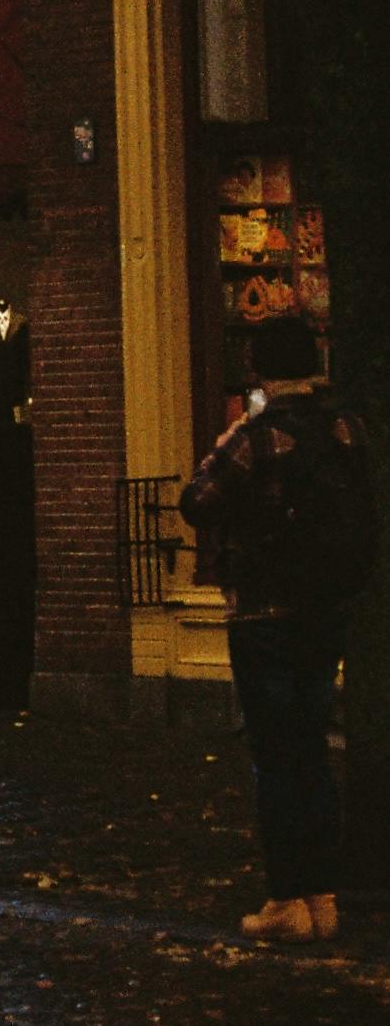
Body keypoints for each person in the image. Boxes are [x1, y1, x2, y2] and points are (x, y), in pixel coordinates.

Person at [181, 312, 376, 944]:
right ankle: (325, 898)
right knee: (314, 749)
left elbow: (197, 501)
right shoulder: (347, 429)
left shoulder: (255, 437)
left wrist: (233, 429)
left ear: (261, 369)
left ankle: (287, 899)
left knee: (276, 756)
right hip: (326, 609)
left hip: (263, 611)